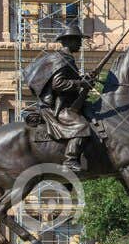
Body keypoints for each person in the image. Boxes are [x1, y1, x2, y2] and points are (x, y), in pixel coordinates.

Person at [24, 20, 95, 175]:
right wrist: (80, 83)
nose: (81, 44)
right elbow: (58, 85)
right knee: (81, 126)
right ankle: (70, 160)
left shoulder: (65, 58)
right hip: (58, 107)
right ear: (69, 41)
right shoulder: (63, 58)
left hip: (66, 103)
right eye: (78, 40)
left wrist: (83, 79)